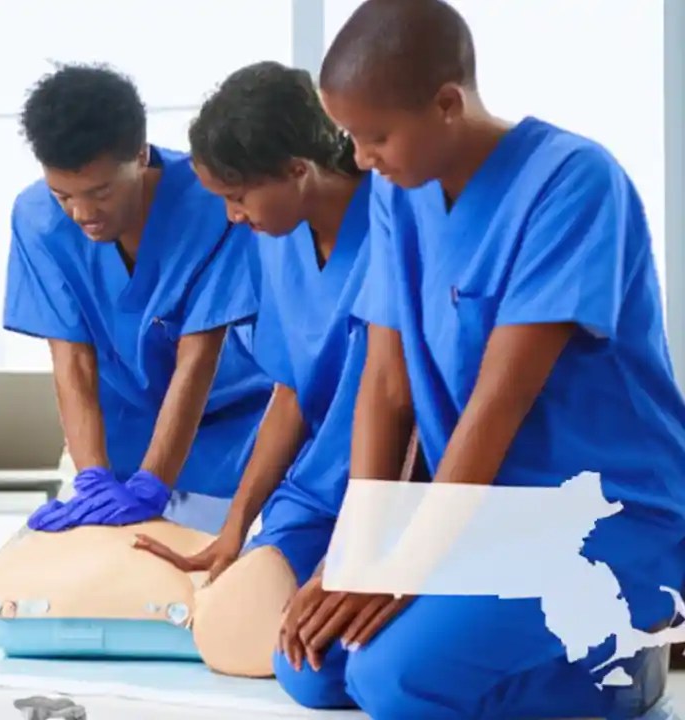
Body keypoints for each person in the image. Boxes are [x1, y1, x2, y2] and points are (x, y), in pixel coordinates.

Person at [275, 1, 685, 717]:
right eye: (351, 137)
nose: (361, 158)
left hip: (599, 517)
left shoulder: (573, 181)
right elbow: (385, 385)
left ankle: (627, 658)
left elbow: (500, 400)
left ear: (446, 105)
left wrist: (405, 565)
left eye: (375, 137)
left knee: (392, 680)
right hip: (483, 515)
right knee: (312, 665)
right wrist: (358, 552)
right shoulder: (396, 194)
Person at [134, 61, 372, 593]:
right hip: (314, 493)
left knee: (330, 649)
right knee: (234, 620)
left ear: (296, 169)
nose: (232, 216)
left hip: (391, 492)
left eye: (237, 197)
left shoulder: (393, 219)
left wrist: (373, 546)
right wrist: (234, 529)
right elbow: (288, 393)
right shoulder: (275, 241)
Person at [6, 64, 273, 535]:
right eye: (63, 194)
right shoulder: (37, 219)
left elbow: (198, 357)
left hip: (223, 431)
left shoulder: (212, 204)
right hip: (121, 432)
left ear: (140, 155)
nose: (82, 213)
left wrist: (154, 484)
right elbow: (73, 362)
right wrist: (91, 479)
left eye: (101, 191)